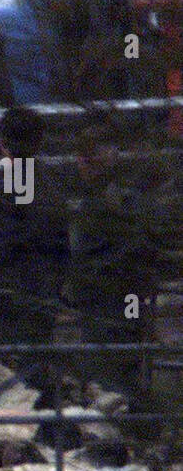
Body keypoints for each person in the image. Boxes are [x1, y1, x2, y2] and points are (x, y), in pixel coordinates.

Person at [0, 106, 69, 400]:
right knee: (39, 369)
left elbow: (0, 250)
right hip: (47, 294)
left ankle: (14, 429)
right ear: (39, 141)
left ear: (3, 142)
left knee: (10, 378)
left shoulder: (7, 185)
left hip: (15, 298)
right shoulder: (52, 182)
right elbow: (63, 242)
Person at [67, 128, 158, 408]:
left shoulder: (110, 199)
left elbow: (134, 247)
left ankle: (122, 419)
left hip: (112, 299)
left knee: (112, 363)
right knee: (120, 358)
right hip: (118, 298)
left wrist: (90, 275)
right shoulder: (112, 196)